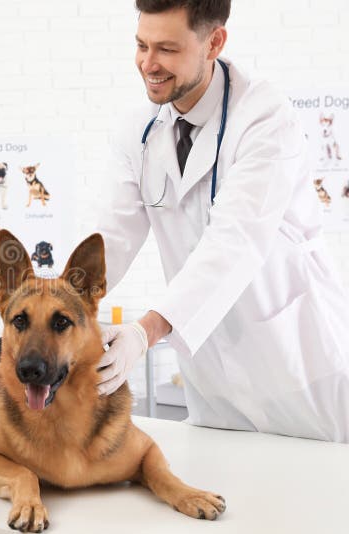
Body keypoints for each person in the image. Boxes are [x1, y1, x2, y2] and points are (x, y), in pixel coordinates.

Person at [95, 0, 349, 442]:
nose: (148, 64)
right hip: (214, 385)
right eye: (141, 45)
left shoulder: (266, 119)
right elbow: (110, 239)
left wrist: (143, 332)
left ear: (214, 42)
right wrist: (54, 300)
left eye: (167, 50)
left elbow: (234, 244)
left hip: (300, 371)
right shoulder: (139, 129)